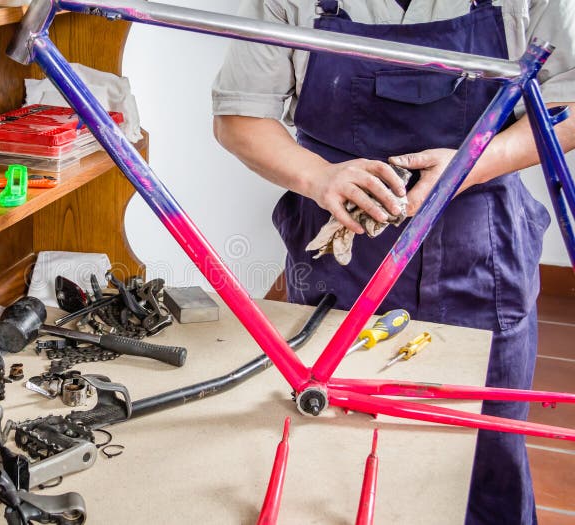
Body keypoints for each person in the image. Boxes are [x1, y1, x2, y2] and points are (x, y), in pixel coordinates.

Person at [212, 1, 575, 524]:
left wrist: (470, 166)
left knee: (483, 449)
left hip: (479, 246)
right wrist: (320, 177)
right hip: (345, 253)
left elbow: (568, 107)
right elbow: (238, 117)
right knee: (334, 441)